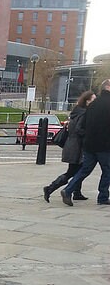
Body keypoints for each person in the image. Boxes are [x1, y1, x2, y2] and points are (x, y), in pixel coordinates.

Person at [61, 78, 110, 206]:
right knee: (107, 170)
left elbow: (82, 125)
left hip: (89, 144)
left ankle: (68, 190)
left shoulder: (93, 104)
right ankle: (103, 196)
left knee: (84, 170)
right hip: (105, 145)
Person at [43, 90, 96, 202]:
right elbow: (79, 129)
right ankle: (50, 188)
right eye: (93, 99)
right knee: (73, 171)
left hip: (72, 145)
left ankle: (76, 192)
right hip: (77, 146)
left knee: (78, 169)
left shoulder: (76, 112)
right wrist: (89, 134)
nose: (95, 102)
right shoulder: (84, 113)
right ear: (87, 101)